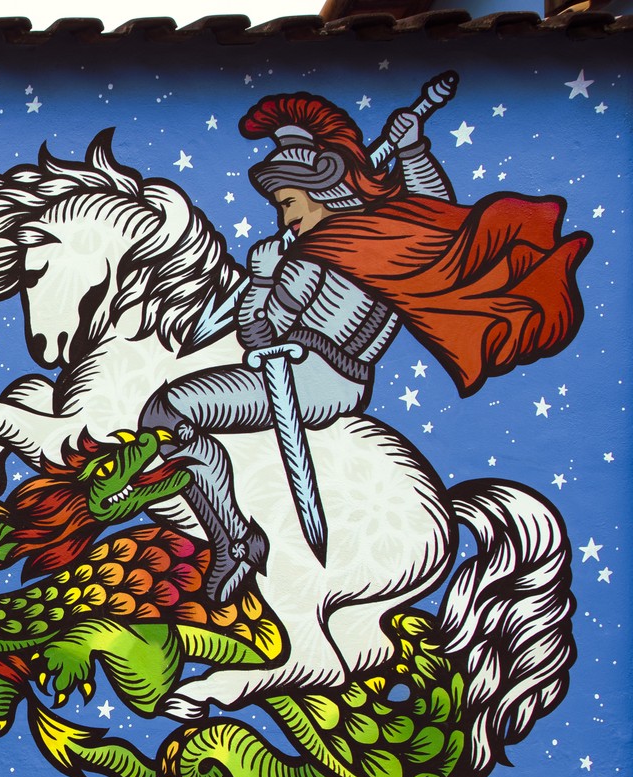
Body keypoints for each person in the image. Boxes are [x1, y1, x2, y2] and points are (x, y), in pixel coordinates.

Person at [143, 91, 588, 600]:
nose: (284, 218)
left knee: (166, 411)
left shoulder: (322, 253)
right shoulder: (383, 236)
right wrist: (414, 151)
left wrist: (264, 281)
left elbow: (258, 337)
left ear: (318, 190)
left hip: (310, 378)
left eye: (287, 203)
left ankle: (235, 539)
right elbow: (432, 210)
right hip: (335, 377)